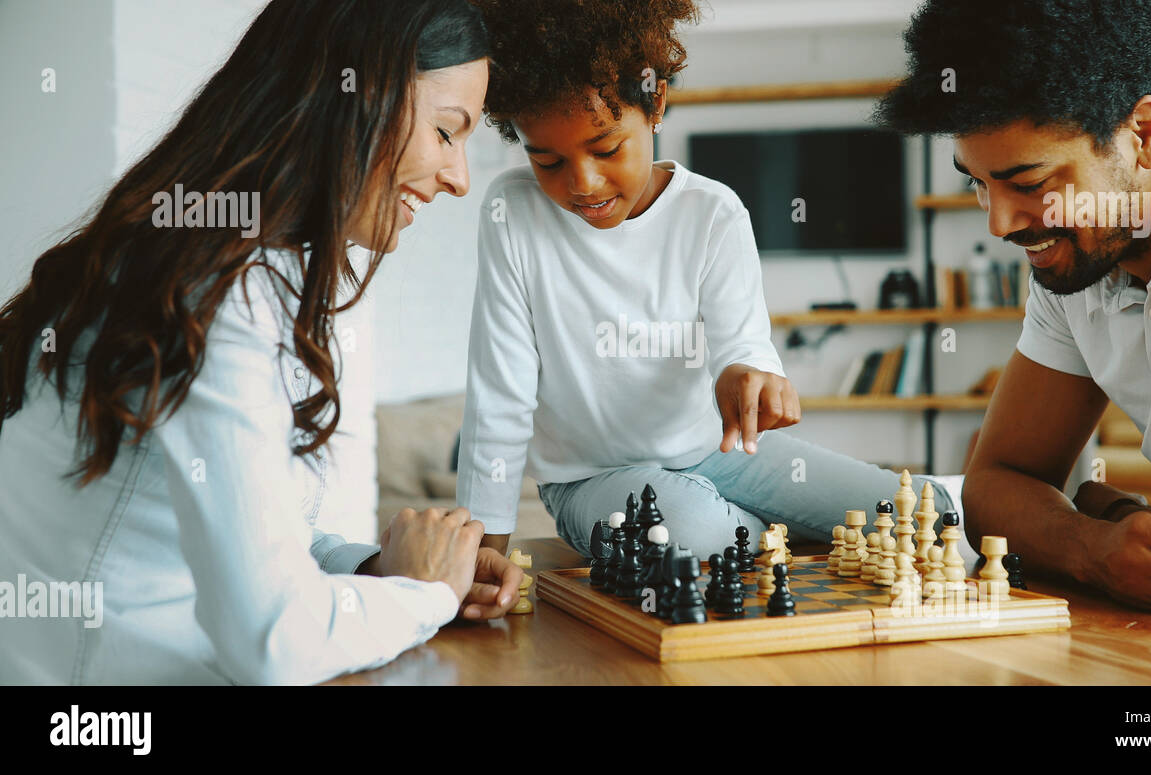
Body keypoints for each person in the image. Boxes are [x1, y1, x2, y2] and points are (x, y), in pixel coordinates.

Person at [0, 0, 521, 685]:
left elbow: (248, 531)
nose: (459, 177)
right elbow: (273, 641)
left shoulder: (221, 261)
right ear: (356, 95)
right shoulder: (219, 294)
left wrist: (375, 569)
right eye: (446, 131)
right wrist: (427, 594)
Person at [456, 0, 963, 562]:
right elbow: (499, 395)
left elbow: (743, 344)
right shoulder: (512, 212)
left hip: (718, 455)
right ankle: (757, 534)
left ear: (656, 103)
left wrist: (749, 374)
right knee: (687, 532)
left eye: (606, 148)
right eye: (548, 162)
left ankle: (749, 534)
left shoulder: (714, 212)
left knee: (914, 514)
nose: (583, 183)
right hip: (588, 480)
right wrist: (484, 549)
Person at [876, 0, 1151, 615]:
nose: (1000, 223)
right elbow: (993, 488)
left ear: (1145, 136)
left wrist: (1115, 512)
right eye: (978, 182)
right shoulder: (1081, 262)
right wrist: (1093, 546)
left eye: (1029, 184)